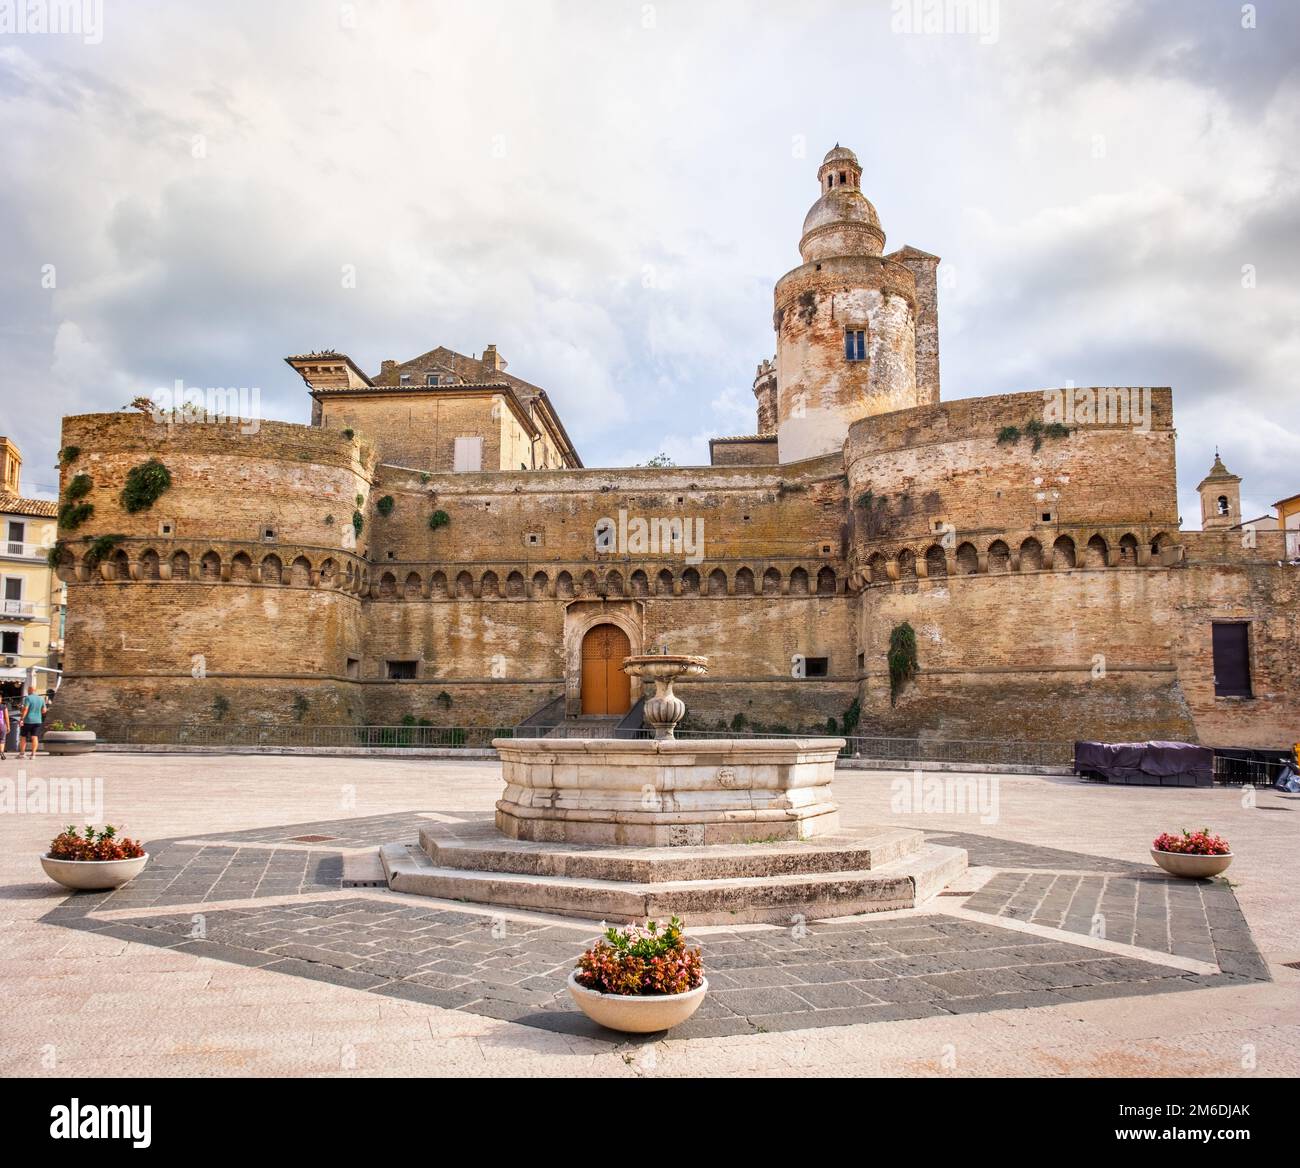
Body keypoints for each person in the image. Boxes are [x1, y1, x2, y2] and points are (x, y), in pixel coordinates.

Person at [17, 684, 47, 761]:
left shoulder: (28, 698)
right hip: (38, 721)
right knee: (35, 737)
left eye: (28, 690)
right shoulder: (41, 699)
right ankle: (33, 754)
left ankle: (22, 754)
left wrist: (22, 718)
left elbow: (25, 709)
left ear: (30, 690)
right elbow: (44, 711)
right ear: (35, 690)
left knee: (23, 737)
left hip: (28, 720)